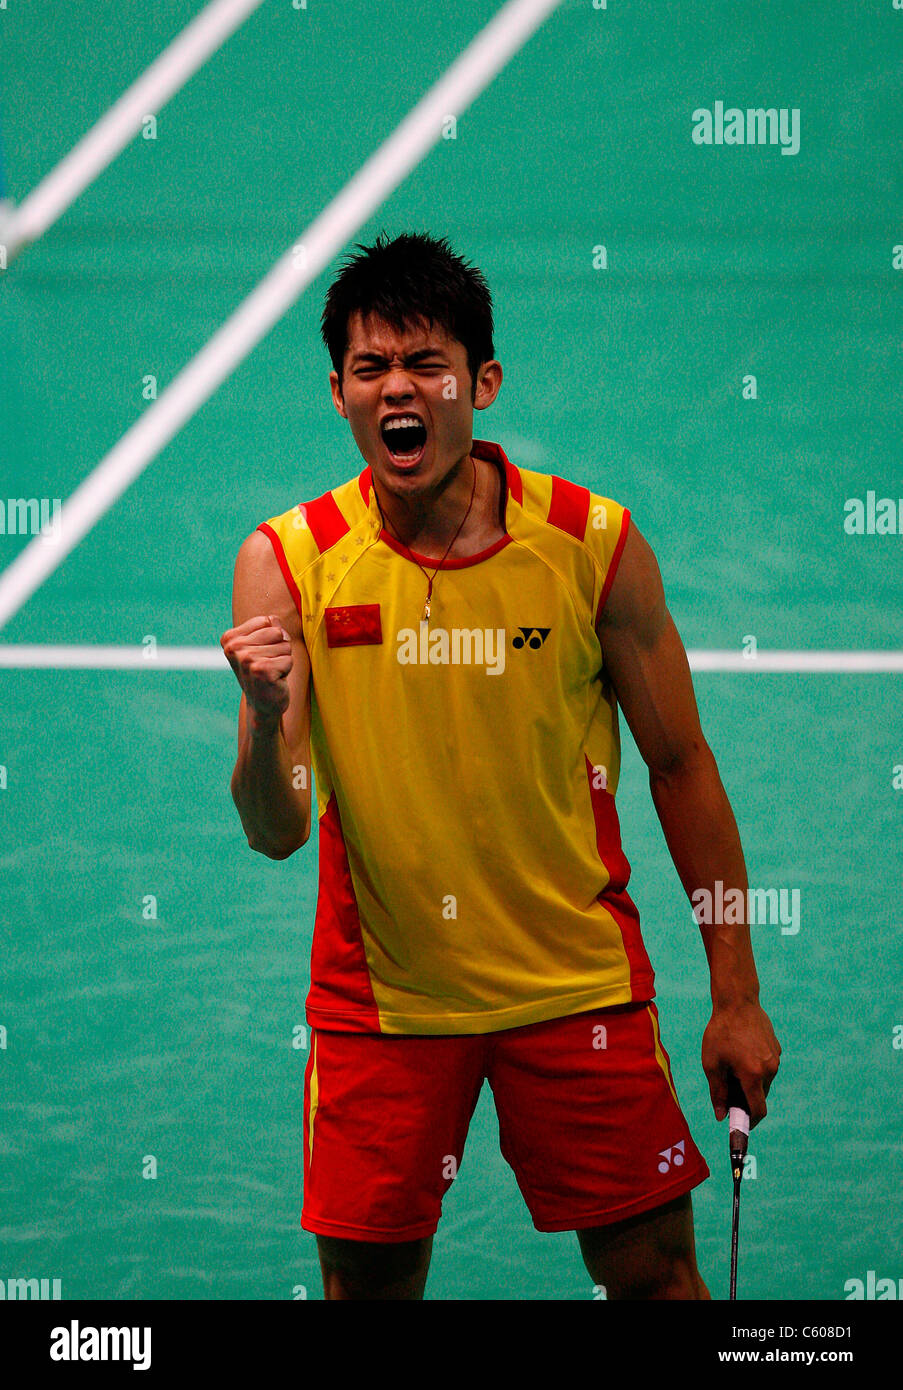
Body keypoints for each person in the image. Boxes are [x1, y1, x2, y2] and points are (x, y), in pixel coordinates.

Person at [221, 231, 781, 1300]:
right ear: (336, 390)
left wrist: (737, 993)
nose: (400, 389)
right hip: (386, 1001)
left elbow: (681, 765)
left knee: (659, 1280)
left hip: (573, 983)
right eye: (371, 367)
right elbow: (275, 827)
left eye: (427, 364)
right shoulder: (285, 562)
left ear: (482, 382)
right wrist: (263, 718)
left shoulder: (590, 544)